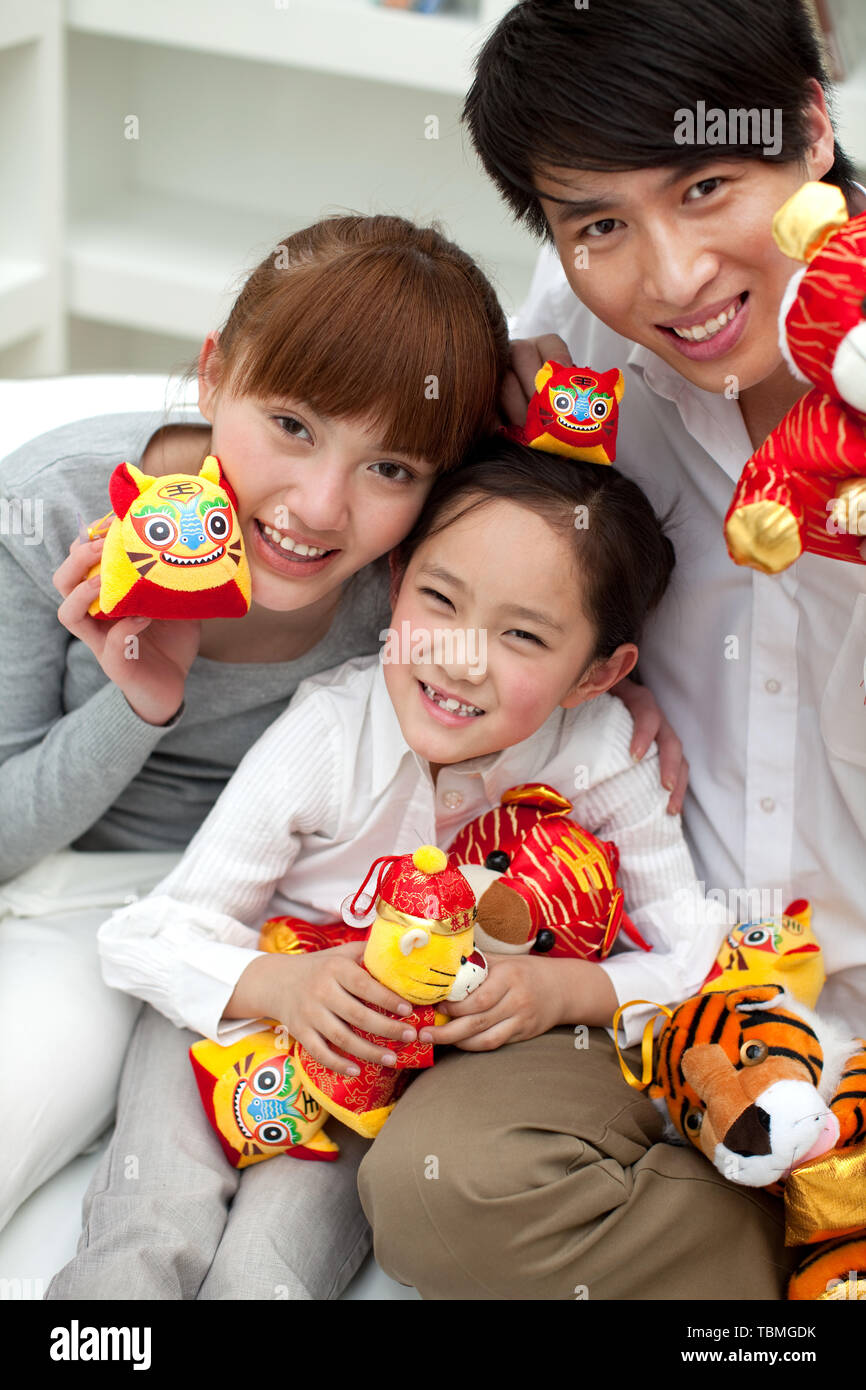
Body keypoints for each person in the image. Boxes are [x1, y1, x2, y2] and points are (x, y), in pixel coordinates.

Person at [357, 0, 866, 1300]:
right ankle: (804, 1220)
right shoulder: (578, 376)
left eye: (705, 187)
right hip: (664, 975)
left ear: (811, 128)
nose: (674, 274)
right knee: (449, 1186)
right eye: (598, 226)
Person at [48, 434, 730, 1301]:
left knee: (269, 1273)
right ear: (398, 580)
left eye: (523, 635)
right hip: (231, 1002)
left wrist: (572, 995)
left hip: (378, 1067)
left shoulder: (604, 754)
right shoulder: (330, 733)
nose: (459, 657)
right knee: (148, 1232)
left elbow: (697, 955)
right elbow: (154, 933)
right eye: (439, 601)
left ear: (599, 673)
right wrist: (281, 988)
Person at [0, 213, 513, 1237]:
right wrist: (145, 698)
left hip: (294, 916)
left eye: (391, 469)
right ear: (213, 377)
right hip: (78, 888)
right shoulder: (53, 505)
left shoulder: (416, 577)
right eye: (290, 425)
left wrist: (616, 695)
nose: (320, 506)